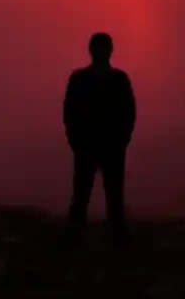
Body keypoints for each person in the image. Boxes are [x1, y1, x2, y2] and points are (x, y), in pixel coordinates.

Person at [63, 32, 136, 246]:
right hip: (92, 145)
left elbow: (129, 114)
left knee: (109, 196)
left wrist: (121, 140)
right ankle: (82, 239)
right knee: (85, 195)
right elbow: (70, 113)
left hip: (106, 146)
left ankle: (110, 240)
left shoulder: (110, 80)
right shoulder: (86, 80)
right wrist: (76, 140)